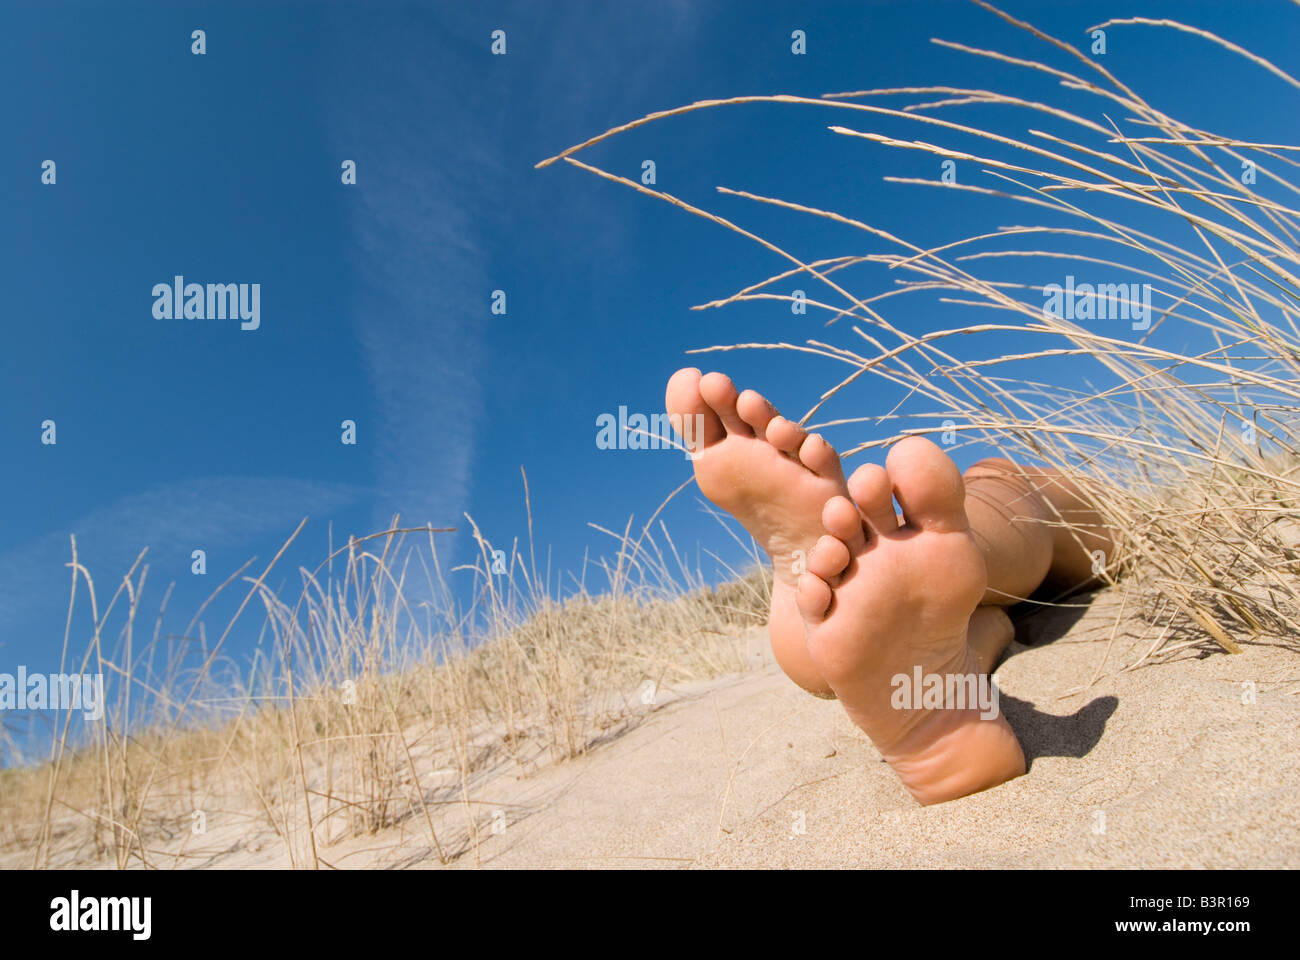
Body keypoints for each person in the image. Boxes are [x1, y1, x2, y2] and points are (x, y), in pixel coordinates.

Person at [665, 368, 1116, 804]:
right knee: (1007, 481)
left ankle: (931, 594)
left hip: (974, 612)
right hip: (1036, 561)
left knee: (960, 565)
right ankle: (947, 551)